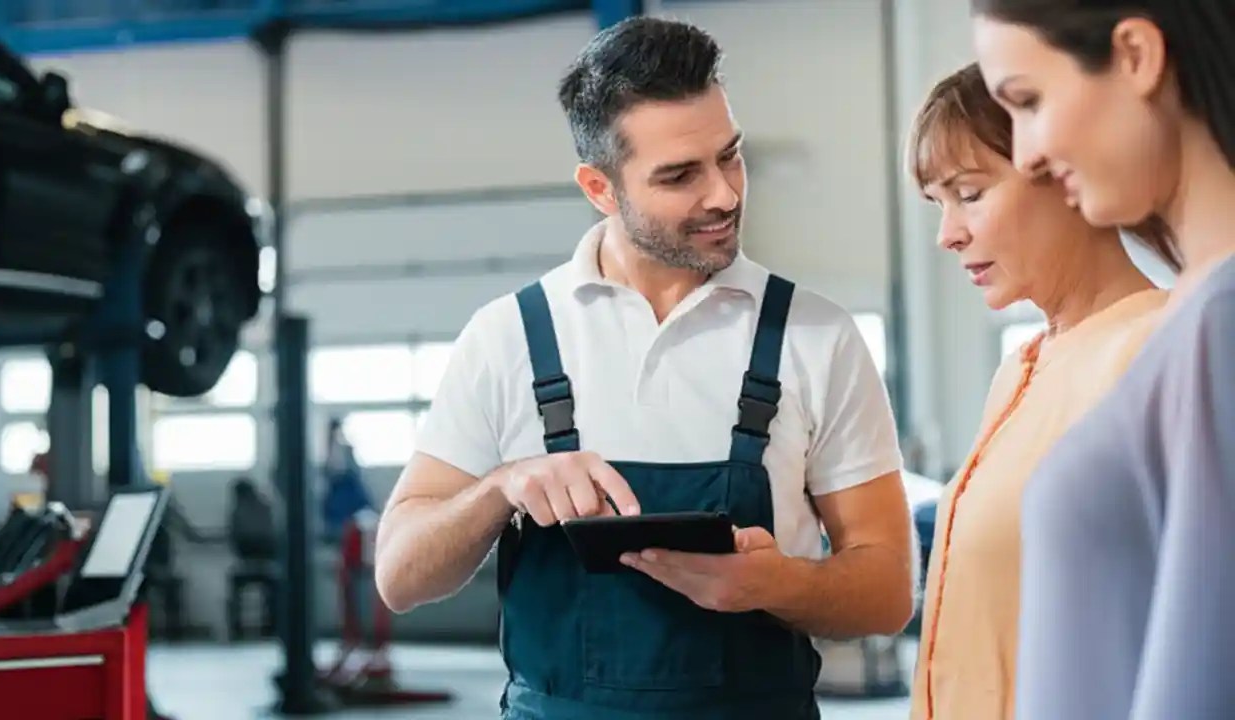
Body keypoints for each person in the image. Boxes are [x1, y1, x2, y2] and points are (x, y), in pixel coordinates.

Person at [374, 16, 914, 720]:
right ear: (600, 188)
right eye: (680, 176)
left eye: (731, 155)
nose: (723, 193)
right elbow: (399, 575)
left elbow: (887, 588)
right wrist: (503, 487)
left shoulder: (816, 338)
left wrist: (773, 584)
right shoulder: (506, 338)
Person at [970, 2, 1235, 718]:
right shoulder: (1197, 314)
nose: (1023, 153)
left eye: (1028, 101)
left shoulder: (1218, 323)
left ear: (1137, 56)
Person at [903, 62, 1173, 720]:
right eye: (938, 204)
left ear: (1063, 173)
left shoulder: (1155, 348)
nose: (948, 234)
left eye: (969, 193)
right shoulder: (1021, 368)